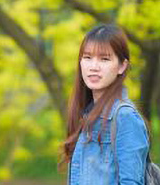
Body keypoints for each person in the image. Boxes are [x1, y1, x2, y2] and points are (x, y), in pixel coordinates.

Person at [60, 24, 150, 185]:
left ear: (122, 66)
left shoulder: (125, 118)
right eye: (87, 57)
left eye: (104, 59)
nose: (94, 67)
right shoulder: (85, 115)